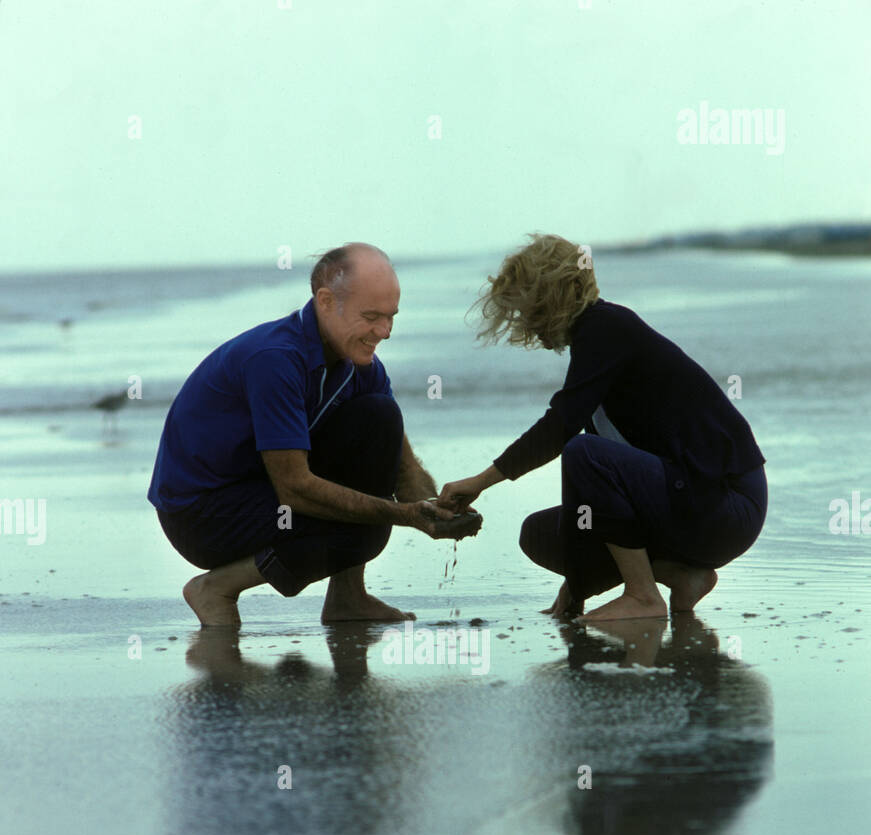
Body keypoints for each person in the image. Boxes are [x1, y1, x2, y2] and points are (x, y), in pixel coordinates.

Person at [437, 234, 767, 621]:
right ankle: (681, 575)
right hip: (687, 503)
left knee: (583, 452)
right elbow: (601, 492)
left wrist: (478, 482)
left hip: (728, 506)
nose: (526, 322)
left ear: (553, 295)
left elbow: (559, 428)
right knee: (541, 534)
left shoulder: (607, 327)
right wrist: (574, 589)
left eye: (529, 309)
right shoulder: (595, 346)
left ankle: (643, 596)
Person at [148, 242, 456, 627]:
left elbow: (404, 469)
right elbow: (294, 489)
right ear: (326, 302)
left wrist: (438, 509)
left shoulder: (361, 365)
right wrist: (404, 515)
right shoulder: (275, 359)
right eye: (372, 317)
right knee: (360, 529)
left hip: (259, 489)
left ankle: (348, 598)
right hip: (200, 515)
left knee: (380, 416)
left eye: (391, 317)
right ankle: (217, 587)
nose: (385, 332)